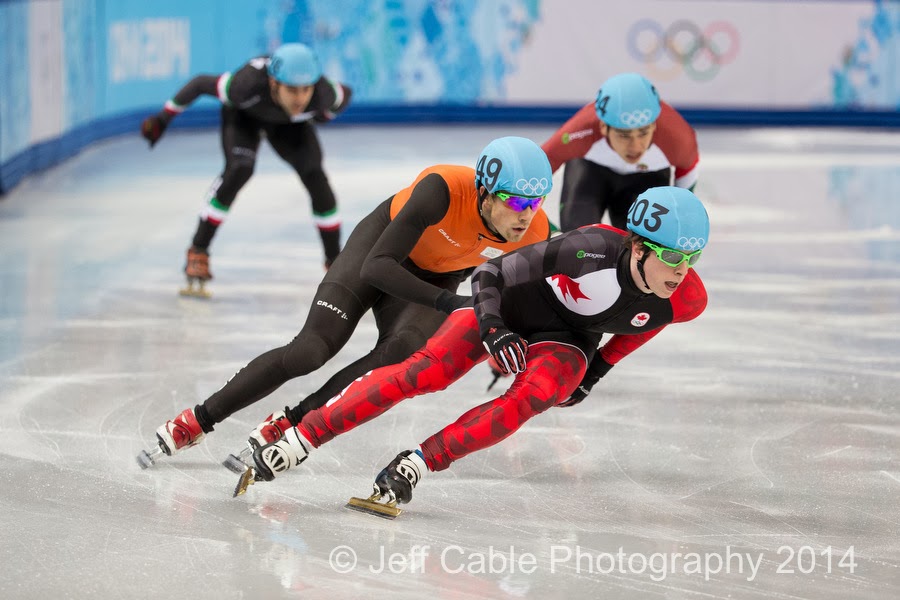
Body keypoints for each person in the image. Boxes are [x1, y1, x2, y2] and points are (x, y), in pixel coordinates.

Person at [247, 186, 710, 512]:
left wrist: (596, 372)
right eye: (672, 257)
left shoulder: (687, 298)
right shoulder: (589, 247)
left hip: (571, 338)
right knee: (424, 373)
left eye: (692, 259)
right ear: (638, 248)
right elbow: (490, 274)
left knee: (533, 397)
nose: (681, 271)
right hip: (508, 305)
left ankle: (418, 463)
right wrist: (494, 329)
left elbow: (647, 324)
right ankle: (304, 437)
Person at [139, 136, 553, 466]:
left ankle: (292, 422)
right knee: (310, 351)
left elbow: (537, 297)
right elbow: (377, 267)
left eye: (536, 203)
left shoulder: (536, 232)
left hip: (437, 274)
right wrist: (449, 302)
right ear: (485, 192)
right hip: (379, 251)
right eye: (516, 201)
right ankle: (199, 419)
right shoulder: (441, 189)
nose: (526, 214)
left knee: (399, 354)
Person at [140, 43, 352, 293]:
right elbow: (199, 84)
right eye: (292, 90)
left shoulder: (324, 93)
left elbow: (345, 96)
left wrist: (322, 116)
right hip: (244, 118)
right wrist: (163, 118)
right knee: (239, 170)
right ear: (273, 83)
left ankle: (334, 261)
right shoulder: (245, 84)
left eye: (306, 89)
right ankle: (198, 249)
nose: (300, 98)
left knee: (316, 177)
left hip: (288, 125)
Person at [542, 72, 699, 232]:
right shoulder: (579, 132)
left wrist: (681, 221)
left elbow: (687, 175)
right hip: (591, 173)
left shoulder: (679, 138)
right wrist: (547, 229)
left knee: (644, 240)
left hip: (646, 179)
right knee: (579, 238)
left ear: (654, 126)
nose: (635, 147)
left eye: (643, 133)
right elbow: (532, 175)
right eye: (624, 135)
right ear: (603, 127)